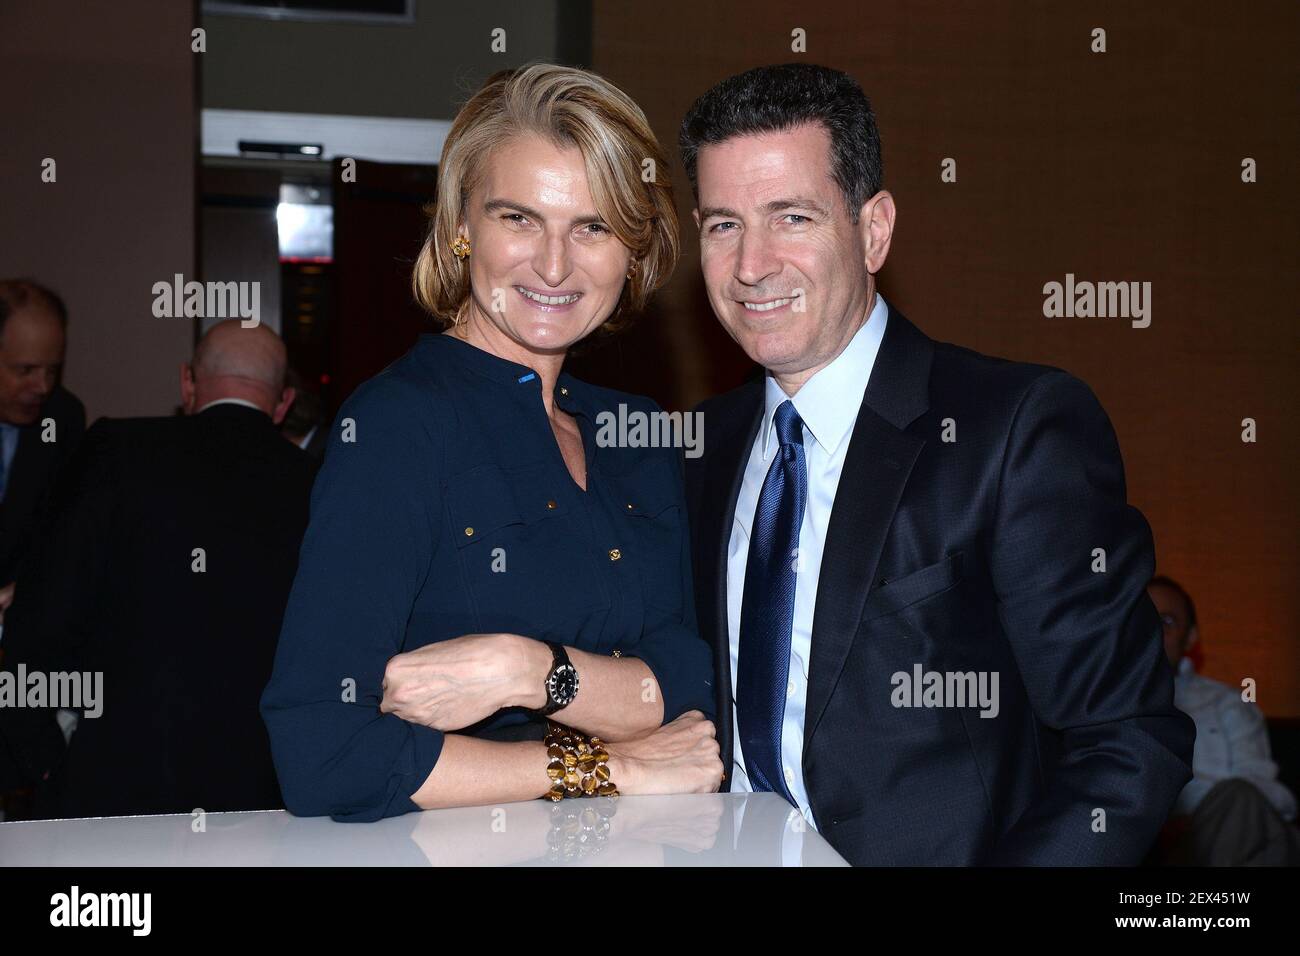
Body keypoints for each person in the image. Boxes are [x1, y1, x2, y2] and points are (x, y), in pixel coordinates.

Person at [678, 63, 1195, 865]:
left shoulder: (1014, 428)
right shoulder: (702, 446)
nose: (752, 264)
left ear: (874, 229)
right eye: (723, 225)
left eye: (792, 217)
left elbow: (1126, 738)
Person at [261, 64, 721, 822]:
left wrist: (525, 670)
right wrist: (607, 766)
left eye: (594, 226)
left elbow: (688, 689)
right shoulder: (398, 425)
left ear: (635, 252)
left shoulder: (636, 433)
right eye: (519, 218)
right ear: (461, 228)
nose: (552, 264)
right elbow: (322, 751)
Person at [0, 320, 316, 817]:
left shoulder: (112, 450)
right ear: (282, 402)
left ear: (187, 383)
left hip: (111, 790)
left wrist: (42, 761)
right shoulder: (319, 486)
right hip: (269, 799)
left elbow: (39, 622)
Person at [1147, 576, 1300, 865]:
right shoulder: (1087, 702)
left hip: (1234, 827)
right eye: (1142, 618)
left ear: (1190, 637)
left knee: (1240, 799)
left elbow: (1262, 786)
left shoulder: (1228, 702)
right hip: (1144, 838)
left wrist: (1193, 818)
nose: (1152, 630)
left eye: (1166, 621)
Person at [0, 279, 85, 613]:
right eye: (26, 370)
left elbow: (67, 532)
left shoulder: (63, 416)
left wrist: (32, 586)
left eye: (53, 370)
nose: (42, 386)